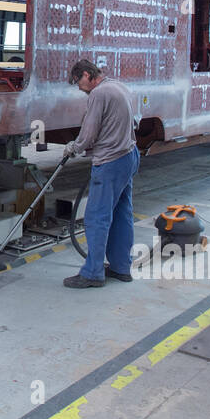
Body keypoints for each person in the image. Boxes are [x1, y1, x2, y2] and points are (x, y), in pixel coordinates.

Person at [63, 58, 139, 289]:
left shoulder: (99, 94)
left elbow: (88, 133)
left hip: (111, 162)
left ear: (87, 75)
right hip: (129, 155)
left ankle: (93, 273)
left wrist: (73, 147)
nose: (78, 87)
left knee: (97, 217)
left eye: (78, 81)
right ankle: (120, 267)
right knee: (122, 213)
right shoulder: (119, 85)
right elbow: (136, 120)